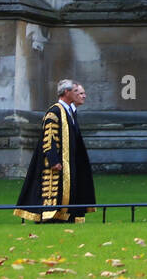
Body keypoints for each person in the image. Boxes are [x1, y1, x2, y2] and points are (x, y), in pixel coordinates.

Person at [14, 79, 96, 224]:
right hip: (55, 162)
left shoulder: (68, 111)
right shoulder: (55, 111)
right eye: (75, 91)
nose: (79, 94)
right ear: (66, 92)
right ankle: (49, 217)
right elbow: (49, 137)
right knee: (52, 191)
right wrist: (53, 160)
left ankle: (67, 216)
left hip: (69, 161)